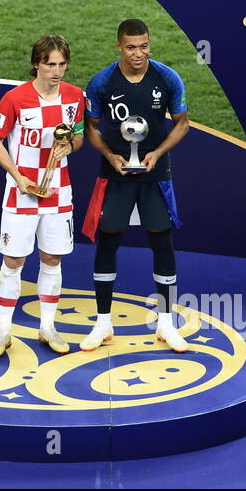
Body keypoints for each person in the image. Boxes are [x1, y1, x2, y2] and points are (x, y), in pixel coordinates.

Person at [81, 19, 190, 353]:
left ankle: (167, 323)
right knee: (108, 240)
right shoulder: (102, 82)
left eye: (144, 46)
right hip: (115, 174)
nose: (138, 53)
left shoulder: (167, 78)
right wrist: (110, 155)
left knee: (162, 240)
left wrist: (157, 153)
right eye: (131, 47)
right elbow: (91, 128)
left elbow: (183, 124)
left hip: (155, 174)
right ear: (119, 47)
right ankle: (102, 323)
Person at [0, 35, 84, 358]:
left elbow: (78, 137)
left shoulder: (75, 97)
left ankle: (48, 327)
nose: (57, 71)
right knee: (13, 261)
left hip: (59, 193)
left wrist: (69, 146)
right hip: (21, 194)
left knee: (52, 259)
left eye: (61, 65)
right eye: (50, 64)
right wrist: (18, 177)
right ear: (36, 64)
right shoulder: (14, 99)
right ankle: (3, 331)